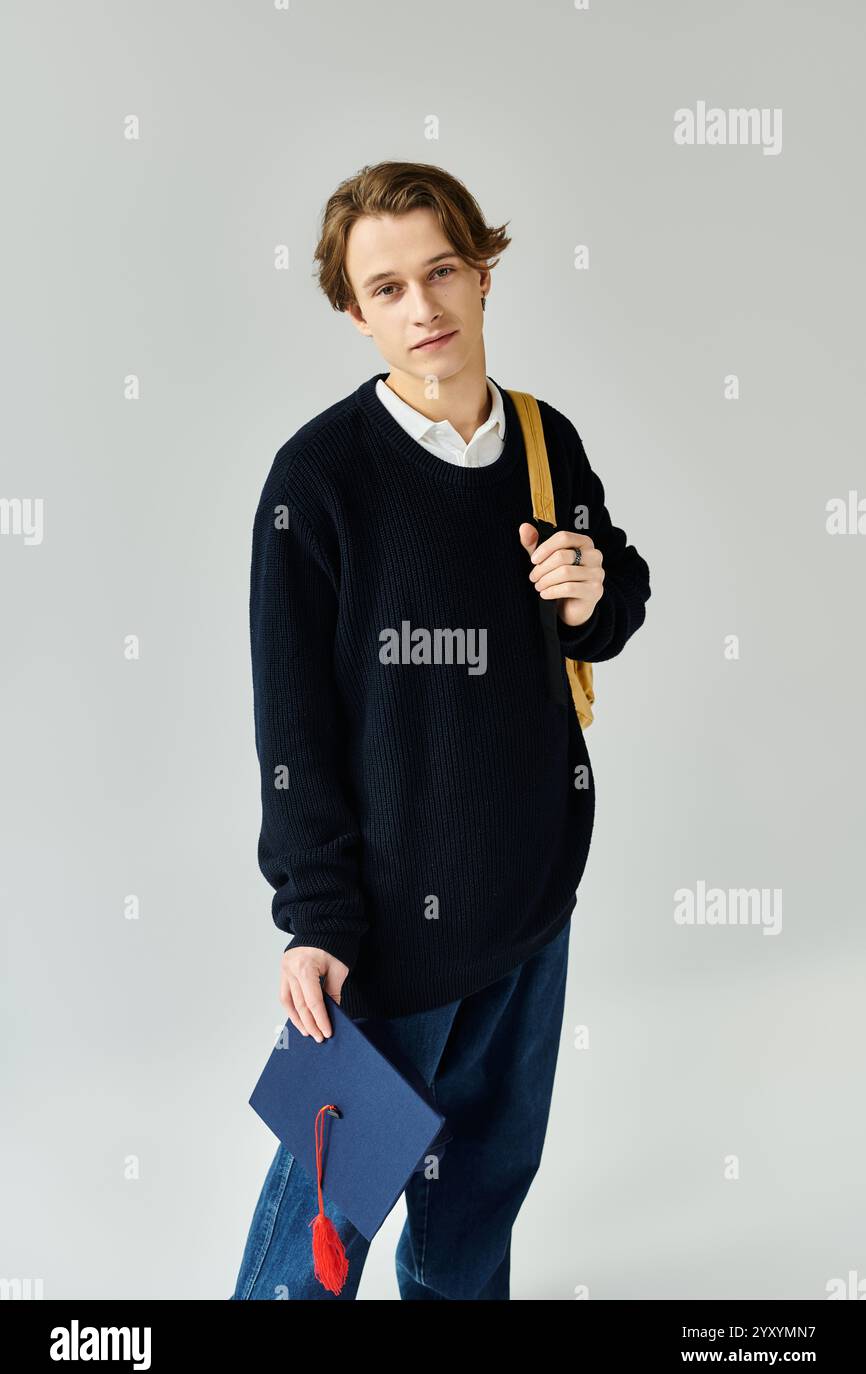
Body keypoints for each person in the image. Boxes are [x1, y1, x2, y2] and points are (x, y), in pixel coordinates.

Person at [230, 160, 651, 1300]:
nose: (421, 309)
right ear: (352, 309)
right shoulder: (315, 482)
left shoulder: (540, 439)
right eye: (386, 289)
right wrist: (313, 918)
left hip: (528, 909)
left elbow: (609, 608)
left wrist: (591, 592)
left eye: (441, 272)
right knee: (316, 1238)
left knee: (475, 1208)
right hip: (383, 939)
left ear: (481, 274)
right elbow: (292, 729)